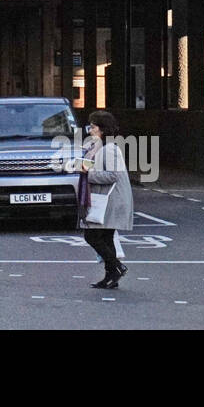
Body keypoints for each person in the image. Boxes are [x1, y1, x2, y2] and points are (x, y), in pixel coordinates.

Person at [78, 110, 134, 289]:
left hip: (112, 199)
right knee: (106, 238)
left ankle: (116, 268)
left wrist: (89, 173)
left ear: (102, 129)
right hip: (106, 198)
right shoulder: (99, 146)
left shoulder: (110, 149)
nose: (90, 130)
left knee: (92, 235)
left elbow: (112, 175)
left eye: (93, 126)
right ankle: (111, 276)